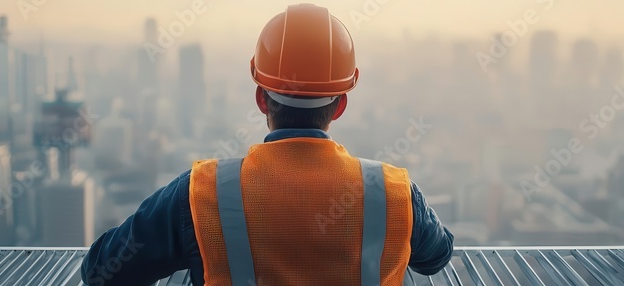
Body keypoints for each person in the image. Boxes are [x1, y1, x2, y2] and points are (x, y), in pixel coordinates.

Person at [82, 4, 453, 285]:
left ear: (261, 99)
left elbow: (101, 270)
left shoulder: (200, 194)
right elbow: (436, 256)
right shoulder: (394, 193)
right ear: (340, 105)